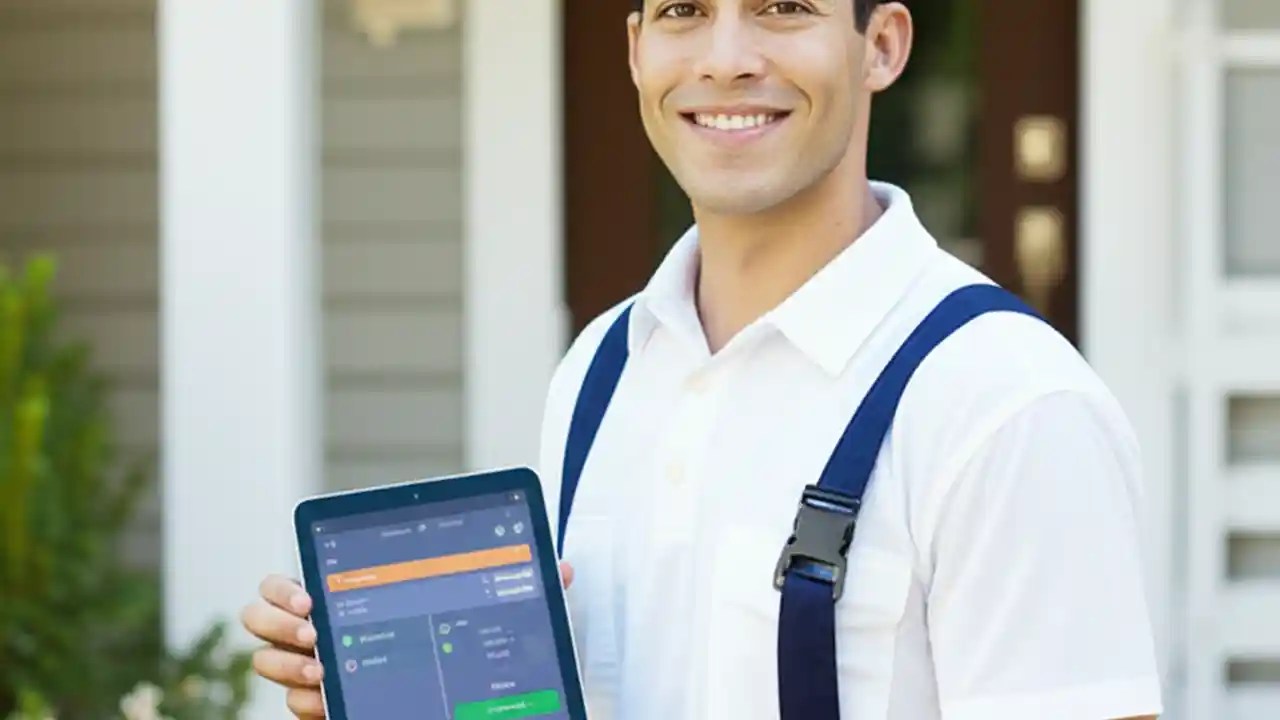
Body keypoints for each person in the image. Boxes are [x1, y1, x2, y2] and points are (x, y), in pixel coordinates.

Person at [241, 0, 1165, 718]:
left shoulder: (1007, 405)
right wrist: (417, 686)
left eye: (782, 8)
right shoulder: (604, 367)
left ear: (881, 44)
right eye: (684, 11)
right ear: (638, 49)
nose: (725, 56)